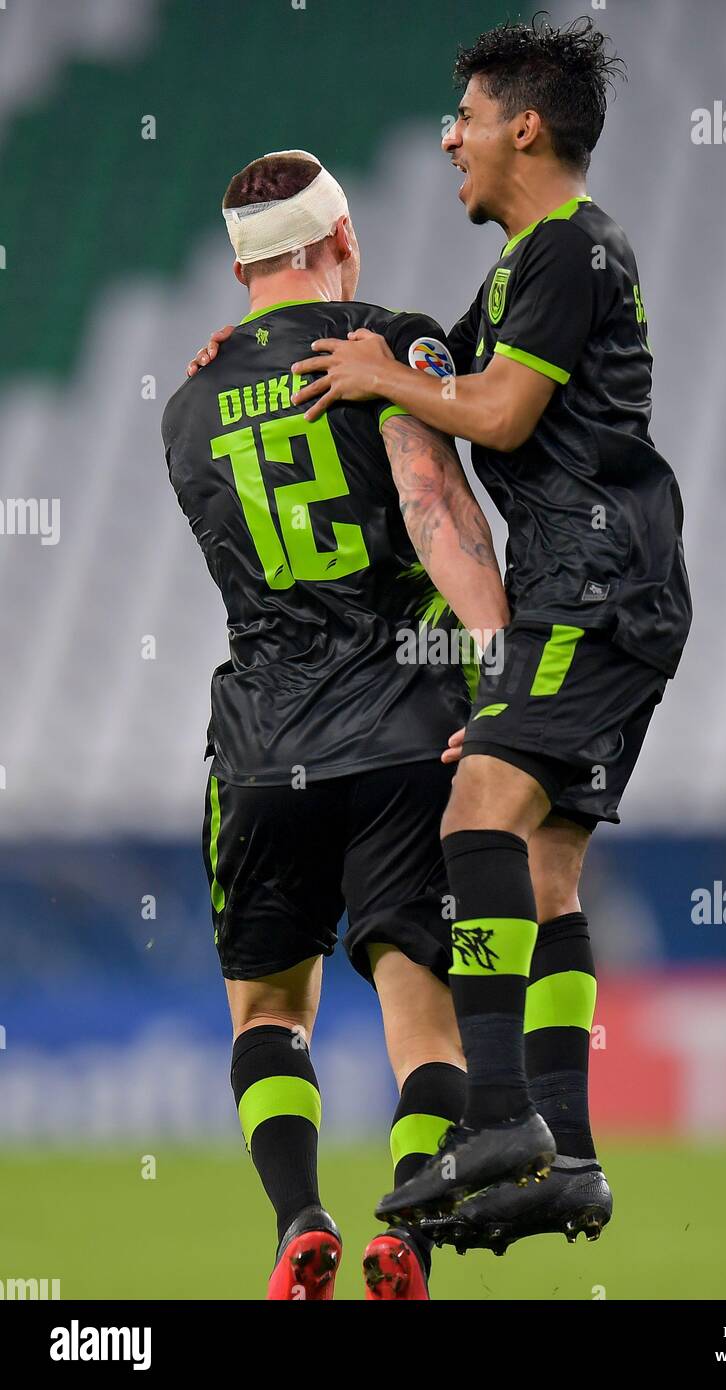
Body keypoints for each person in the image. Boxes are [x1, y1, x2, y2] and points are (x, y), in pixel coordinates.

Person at [285, 17, 693, 1247]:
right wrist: (266, 347)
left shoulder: (571, 246)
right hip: (608, 590)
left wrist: (387, 379)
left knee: (476, 819)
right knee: (549, 865)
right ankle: (565, 1158)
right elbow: (428, 365)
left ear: (527, 123)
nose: (449, 135)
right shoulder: (529, 264)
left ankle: (504, 1115)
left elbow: (497, 414)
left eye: (465, 113)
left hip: (593, 587)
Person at [164, 149, 509, 1299]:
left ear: (238, 267)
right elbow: (434, 511)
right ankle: (403, 1233)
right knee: (427, 1021)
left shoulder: (188, 398)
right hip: (409, 732)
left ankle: (296, 1220)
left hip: (263, 745)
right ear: (339, 239)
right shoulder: (388, 343)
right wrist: (505, 677)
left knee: (268, 1013)